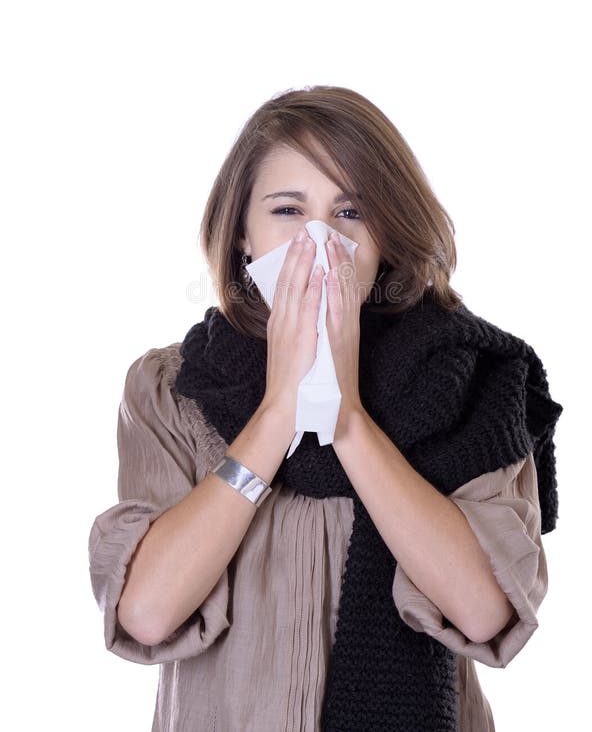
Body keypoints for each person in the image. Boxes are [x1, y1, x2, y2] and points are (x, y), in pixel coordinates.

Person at [88, 85, 562, 731]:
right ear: (242, 238)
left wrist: (345, 417)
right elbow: (147, 613)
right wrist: (280, 406)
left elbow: (484, 612)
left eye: (349, 212)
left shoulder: (470, 382)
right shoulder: (173, 387)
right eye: (287, 209)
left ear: (388, 234)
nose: (317, 240)